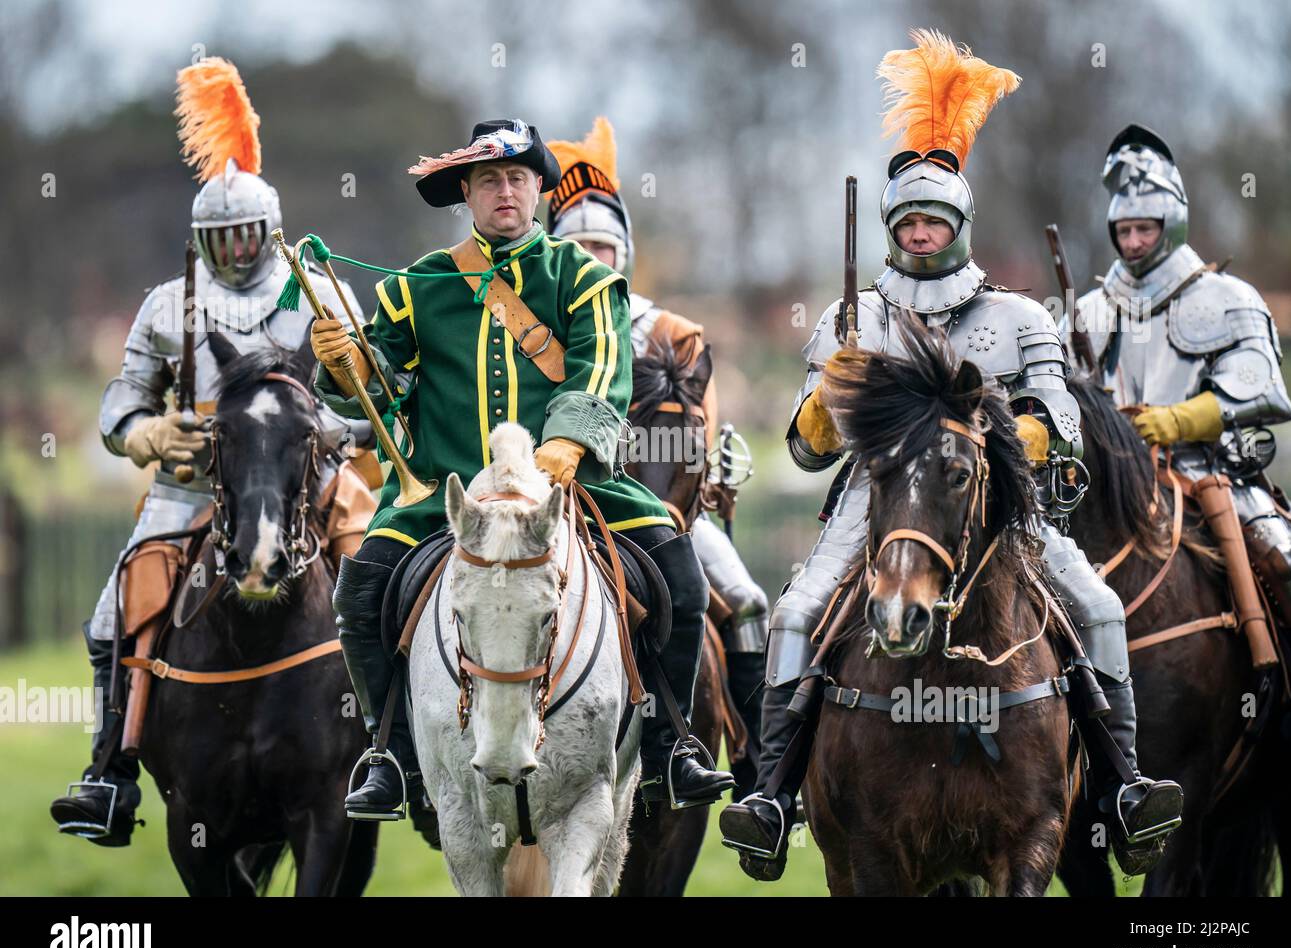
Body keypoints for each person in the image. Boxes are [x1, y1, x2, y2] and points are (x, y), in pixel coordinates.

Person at [718, 30, 1183, 880]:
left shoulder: (1020, 320)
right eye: (908, 221)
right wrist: (833, 398)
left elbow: (1062, 430)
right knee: (794, 614)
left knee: (1101, 612)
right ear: (890, 228)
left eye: (934, 219)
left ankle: (1123, 789)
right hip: (877, 496)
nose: (921, 232)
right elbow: (805, 448)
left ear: (961, 224)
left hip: (996, 500)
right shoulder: (850, 319)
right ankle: (773, 796)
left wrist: (986, 443)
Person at [311, 119, 734, 822]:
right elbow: (382, 390)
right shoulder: (417, 285)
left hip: (574, 488)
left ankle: (669, 747)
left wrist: (567, 443)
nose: (504, 191)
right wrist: (345, 364)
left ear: (537, 189)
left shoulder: (586, 278)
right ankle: (393, 757)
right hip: (441, 497)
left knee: (682, 582)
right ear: (467, 196)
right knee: (357, 597)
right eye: (488, 181)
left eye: (516, 178)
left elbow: (603, 365)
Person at [50, 58, 375, 847]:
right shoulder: (168, 304)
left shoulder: (321, 288)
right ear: (200, 240)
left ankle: (396, 754)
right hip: (192, 487)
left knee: (379, 585)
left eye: (245, 235)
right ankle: (111, 771)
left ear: (272, 231)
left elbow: (378, 404)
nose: (234, 251)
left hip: (311, 481)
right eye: (218, 238)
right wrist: (151, 433)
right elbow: (121, 403)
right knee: (109, 619)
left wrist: (347, 379)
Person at [544, 117, 769, 796]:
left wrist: (713, 466)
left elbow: (698, 433)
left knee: (751, 602)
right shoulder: (529, 328)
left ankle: (761, 775)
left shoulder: (673, 333)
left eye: (603, 247)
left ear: (625, 255)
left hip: (665, 506)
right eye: (577, 246)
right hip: (560, 504)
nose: (591, 257)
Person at [1068, 124, 1291, 650]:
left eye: (1144, 229)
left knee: (1281, 555)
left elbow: (1259, 386)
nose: (1132, 242)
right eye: (1123, 232)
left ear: (1171, 222)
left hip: (1209, 473)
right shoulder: (1087, 310)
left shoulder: (1228, 297)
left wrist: (1176, 420)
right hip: (1104, 481)